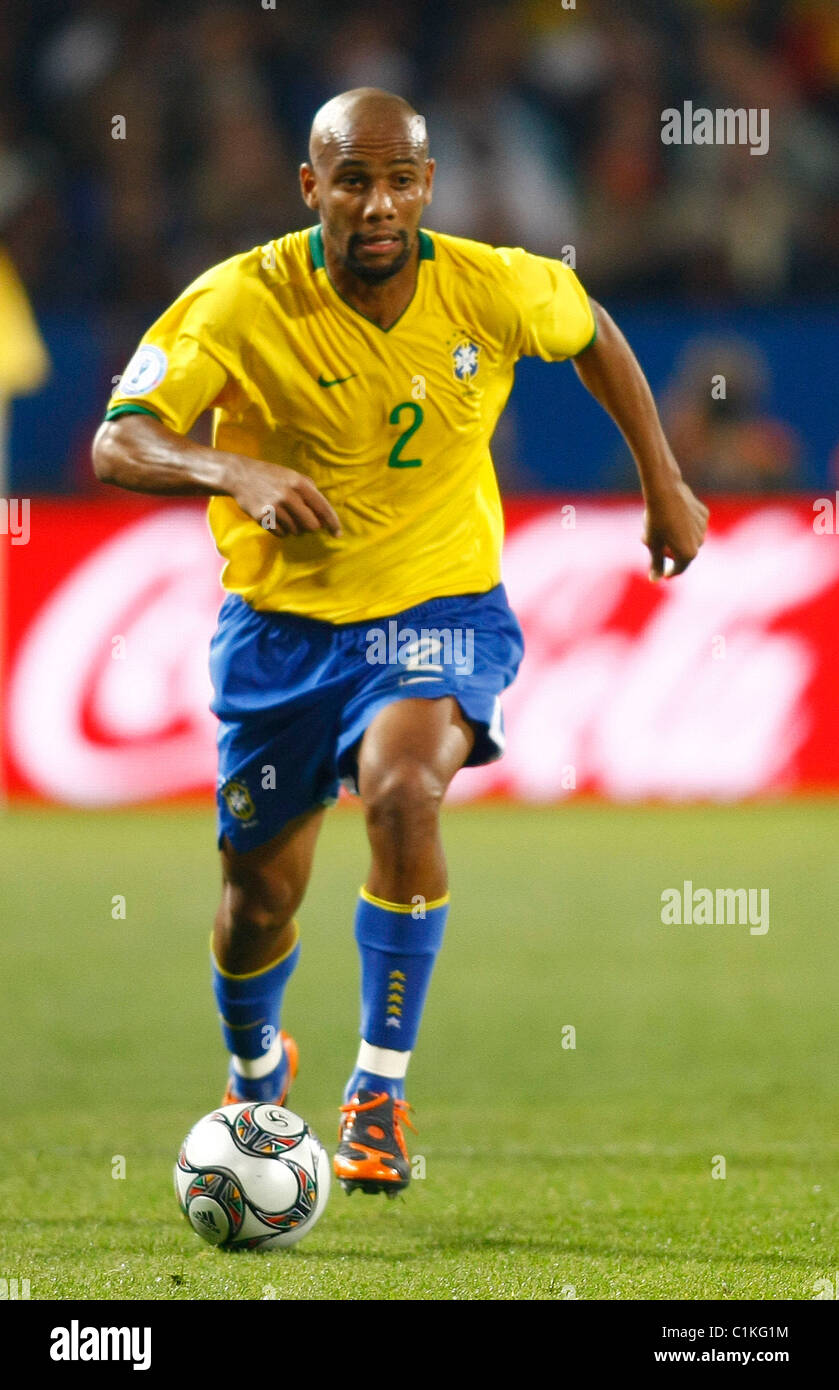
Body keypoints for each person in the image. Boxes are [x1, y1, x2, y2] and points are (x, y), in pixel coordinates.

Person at [92, 88, 708, 1198]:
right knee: (255, 905)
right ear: (309, 187)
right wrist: (235, 468)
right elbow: (120, 438)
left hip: (438, 612)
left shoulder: (489, 282)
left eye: (400, 182)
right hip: (281, 638)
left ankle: (378, 1090)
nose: (379, 206)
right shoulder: (239, 300)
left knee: (403, 792)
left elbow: (592, 330)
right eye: (353, 182)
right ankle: (255, 1063)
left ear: (427, 185)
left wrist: (661, 484)